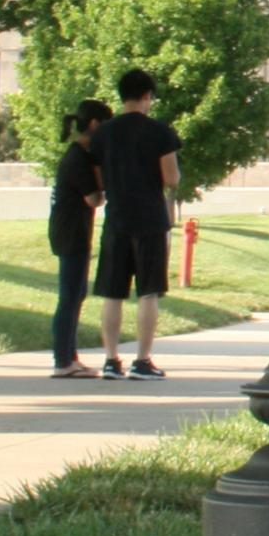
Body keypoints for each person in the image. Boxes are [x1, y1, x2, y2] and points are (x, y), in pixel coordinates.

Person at [88, 68, 181, 380]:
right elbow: (171, 178)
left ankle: (111, 359)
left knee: (113, 294)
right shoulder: (159, 132)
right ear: (147, 96)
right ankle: (142, 360)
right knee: (148, 292)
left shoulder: (103, 134)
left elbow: (99, 178)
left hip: (116, 218)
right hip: (150, 219)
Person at [45, 99, 112, 378]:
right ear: (95, 125)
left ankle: (70, 356)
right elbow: (93, 199)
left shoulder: (80, 155)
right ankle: (62, 361)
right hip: (70, 231)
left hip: (73, 230)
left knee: (76, 293)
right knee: (69, 296)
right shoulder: (78, 159)